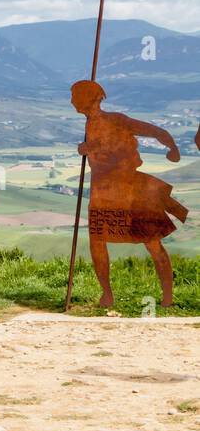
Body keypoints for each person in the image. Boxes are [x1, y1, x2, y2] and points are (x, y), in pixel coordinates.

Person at [72, 80, 186, 308]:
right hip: (102, 192)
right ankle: (107, 295)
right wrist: (87, 148)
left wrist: (172, 147)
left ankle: (167, 298)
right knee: (97, 241)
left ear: (86, 98)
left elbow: (154, 131)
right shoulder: (89, 125)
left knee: (152, 242)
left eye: (75, 96)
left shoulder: (117, 121)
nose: (72, 101)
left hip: (129, 190)